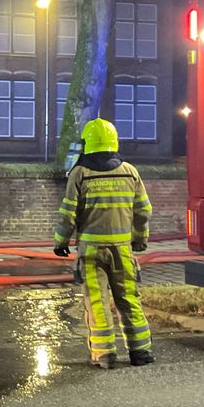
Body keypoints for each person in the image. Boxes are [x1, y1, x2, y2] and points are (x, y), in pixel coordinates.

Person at [53, 118, 153, 370]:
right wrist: (140, 238)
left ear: (88, 144)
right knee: (128, 298)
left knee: (97, 301)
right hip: (122, 249)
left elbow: (68, 213)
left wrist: (61, 241)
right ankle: (141, 352)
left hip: (90, 253)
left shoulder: (80, 174)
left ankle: (105, 355)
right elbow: (144, 211)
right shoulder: (130, 172)